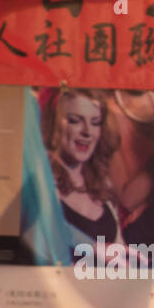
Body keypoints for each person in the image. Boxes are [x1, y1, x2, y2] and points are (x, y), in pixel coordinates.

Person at [40, 88, 125, 259]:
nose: (87, 131)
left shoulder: (102, 184)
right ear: (53, 124)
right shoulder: (42, 182)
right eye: (75, 121)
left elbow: (120, 255)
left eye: (95, 123)